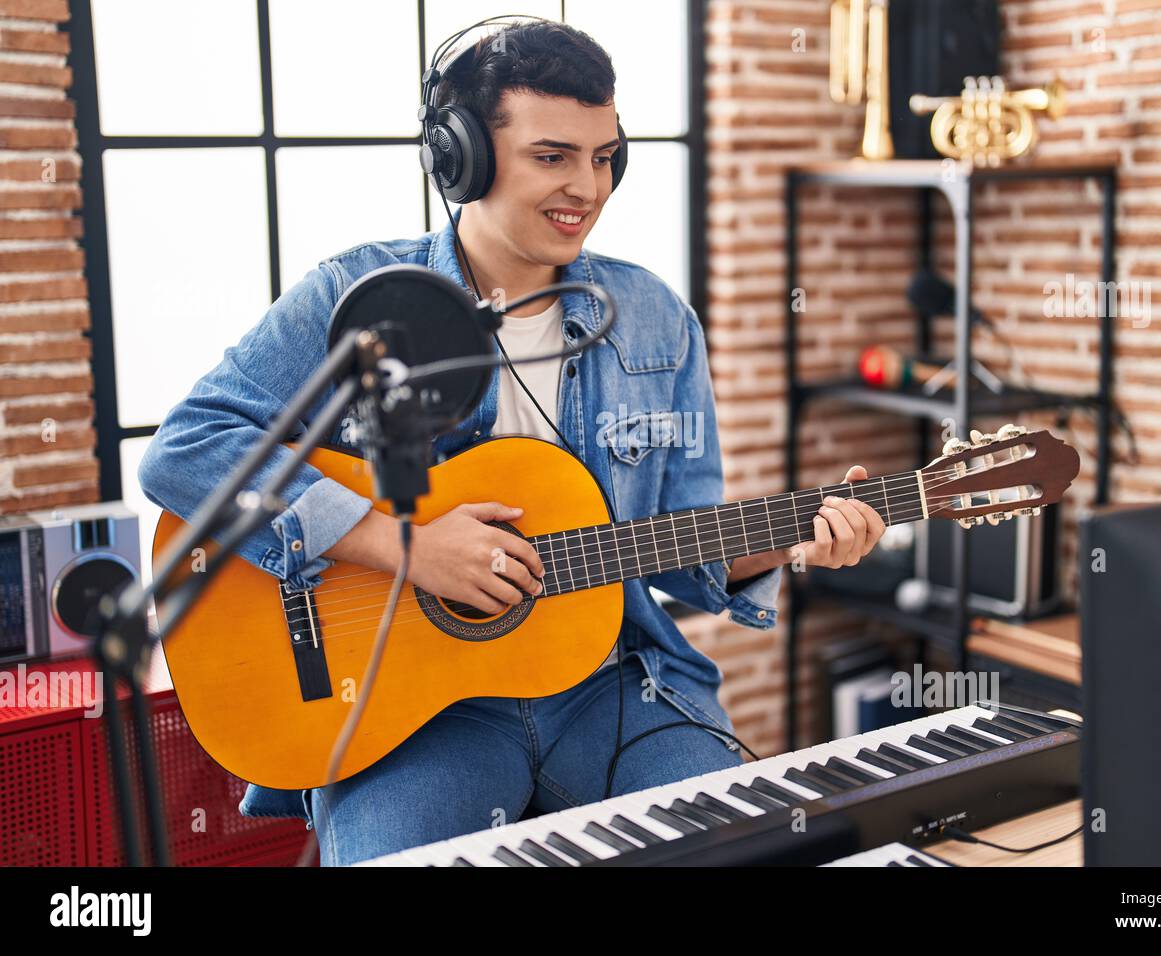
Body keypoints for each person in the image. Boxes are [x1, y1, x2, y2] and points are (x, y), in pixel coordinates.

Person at [137, 17, 884, 866]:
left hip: (612, 681)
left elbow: (680, 543)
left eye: (605, 157)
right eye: (553, 156)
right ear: (462, 157)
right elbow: (185, 449)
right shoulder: (355, 296)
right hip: (407, 707)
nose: (588, 188)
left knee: (742, 852)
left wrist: (782, 541)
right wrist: (399, 545)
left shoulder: (654, 318)